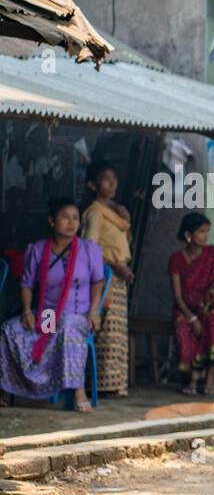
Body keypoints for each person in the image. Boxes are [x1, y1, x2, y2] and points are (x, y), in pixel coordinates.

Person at [0, 198, 105, 410]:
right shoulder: (38, 250)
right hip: (47, 315)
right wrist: (28, 311)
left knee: (67, 327)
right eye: (65, 217)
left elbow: (98, 281)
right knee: (9, 330)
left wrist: (94, 311)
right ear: (51, 221)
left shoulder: (88, 249)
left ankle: (78, 391)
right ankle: (5, 388)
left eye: (75, 218)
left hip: (77, 313)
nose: (71, 223)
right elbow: (27, 283)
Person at [168, 213, 214, 395]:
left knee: (212, 324)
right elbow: (177, 295)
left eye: (207, 231)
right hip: (186, 308)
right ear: (188, 234)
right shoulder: (176, 259)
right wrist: (191, 318)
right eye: (201, 231)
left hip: (210, 304)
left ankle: (210, 376)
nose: (205, 235)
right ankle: (193, 377)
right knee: (184, 329)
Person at [80, 161, 132, 397]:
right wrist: (114, 266)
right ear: (92, 184)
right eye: (105, 179)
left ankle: (116, 383)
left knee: (118, 334)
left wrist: (126, 220)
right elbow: (90, 248)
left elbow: (122, 244)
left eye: (115, 178)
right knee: (106, 332)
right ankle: (102, 384)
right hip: (104, 278)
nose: (112, 183)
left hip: (119, 278)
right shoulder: (95, 213)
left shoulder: (116, 212)